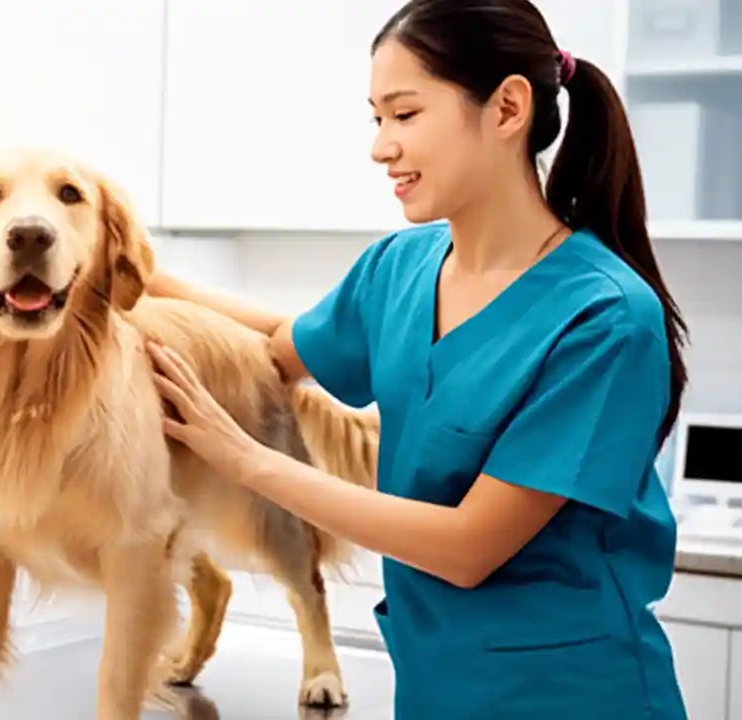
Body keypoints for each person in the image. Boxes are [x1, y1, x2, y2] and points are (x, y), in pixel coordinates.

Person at [145, 1, 690, 718]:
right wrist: (148, 282)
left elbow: (468, 547)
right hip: (435, 690)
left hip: (573, 698)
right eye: (376, 119)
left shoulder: (605, 320)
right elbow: (276, 349)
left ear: (507, 109)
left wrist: (244, 459)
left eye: (404, 115)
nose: (380, 147)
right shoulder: (399, 270)